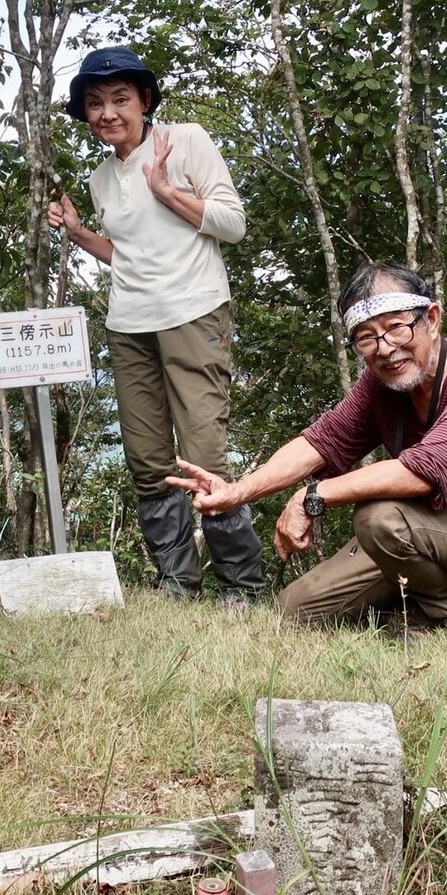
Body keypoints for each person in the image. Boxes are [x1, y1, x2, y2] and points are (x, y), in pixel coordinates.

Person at [167, 261, 447, 625]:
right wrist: (238, 492)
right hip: (424, 531)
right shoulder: (381, 385)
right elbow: (320, 443)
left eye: (397, 328)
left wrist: (311, 496)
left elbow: (425, 473)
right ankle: (420, 596)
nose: (385, 348)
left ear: (431, 319)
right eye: (366, 338)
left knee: (379, 517)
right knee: (294, 611)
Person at [47, 46, 265, 608]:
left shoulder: (186, 140)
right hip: (129, 324)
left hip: (195, 313)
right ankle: (177, 582)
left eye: (120, 99)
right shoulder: (100, 178)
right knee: (147, 459)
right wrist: (77, 233)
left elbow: (234, 225)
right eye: (94, 103)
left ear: (145, 100)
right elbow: (127, 254)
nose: (107, 113)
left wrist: (167, 191)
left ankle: (241, 585)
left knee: (203, 456)